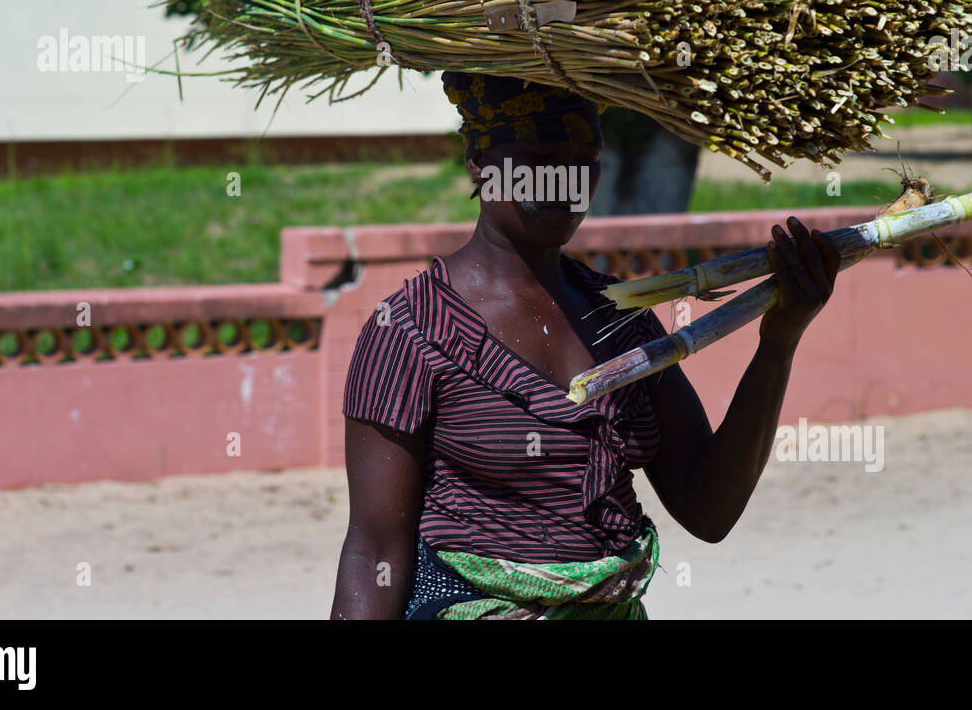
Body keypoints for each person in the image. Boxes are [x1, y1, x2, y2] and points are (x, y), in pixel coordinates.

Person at [330, 71, 841, 619]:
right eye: (540, 155)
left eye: (586, 159)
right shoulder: (410, 329)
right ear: (480, 160)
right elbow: (375, 548)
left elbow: (709, 509)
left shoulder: (620, 319)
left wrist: (779, 341)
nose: (566, 180)